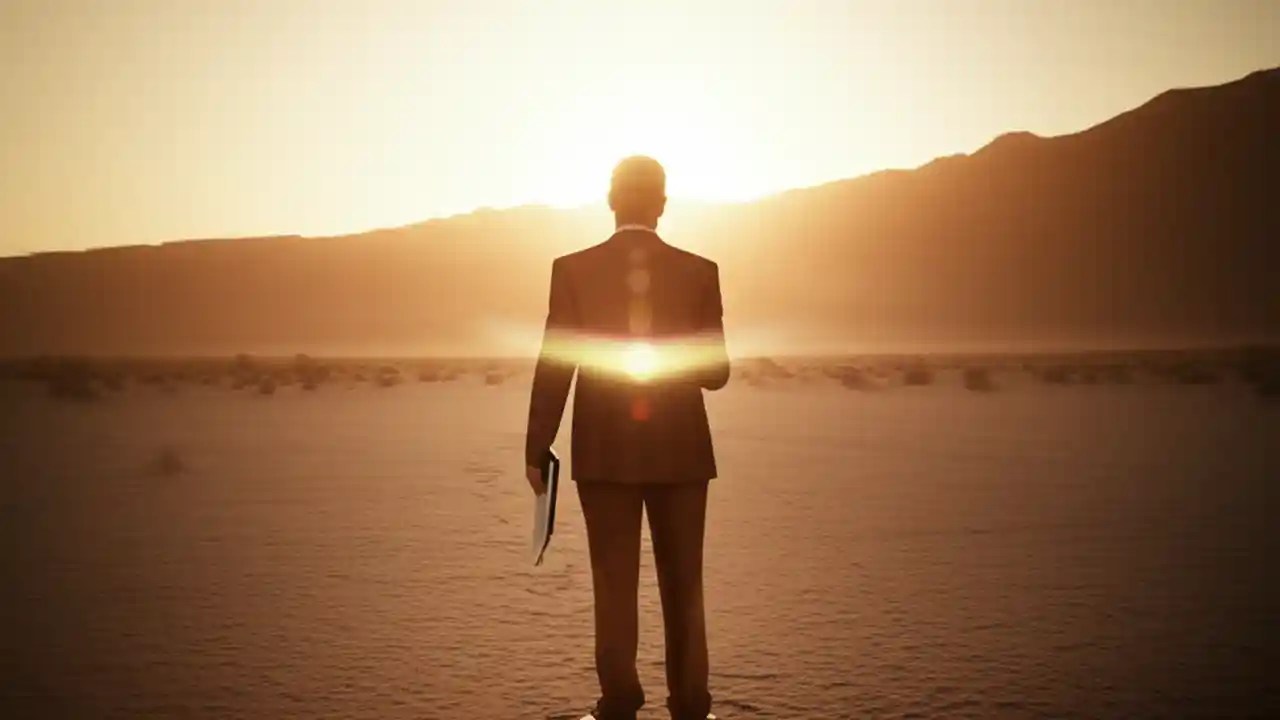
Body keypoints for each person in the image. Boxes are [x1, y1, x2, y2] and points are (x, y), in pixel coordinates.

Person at [524, 156, 729, 720]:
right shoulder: (699, 270)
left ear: (610, 201)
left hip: (603, 452)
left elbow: (554, 365)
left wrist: (537, 446)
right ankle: (691, 706)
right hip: (683, 455)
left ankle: (618, 705)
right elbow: (717, 372)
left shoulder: (572, 269)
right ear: (663, 204)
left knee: (612, 583)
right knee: (684, 585)